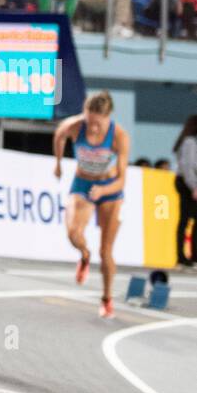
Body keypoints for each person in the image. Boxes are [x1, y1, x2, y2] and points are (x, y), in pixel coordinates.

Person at [53, 91, 130, 318]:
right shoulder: (75, 126)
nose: (93, 128)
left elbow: (122, 180)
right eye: (90, 122)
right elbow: (58, 136)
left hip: (110, 189)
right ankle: (84, 255)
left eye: (98, 124)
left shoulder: (119, 136)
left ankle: (106, 299)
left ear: (108, 118)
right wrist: (58, 163)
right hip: (83, 184)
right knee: (72, 233)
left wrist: (104, 190)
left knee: (106, 251)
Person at [172, 115, 197, 269]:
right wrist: (194, 186)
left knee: (188, 221)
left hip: (190, 182)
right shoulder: (189, 142)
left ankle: (192, 256)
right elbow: (188, 166)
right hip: (187, 183)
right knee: (185, 220)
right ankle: (182, 257)